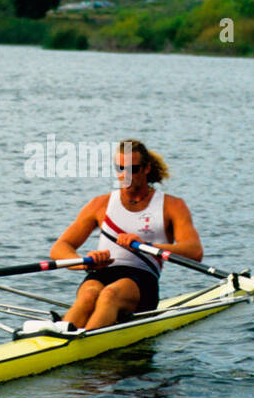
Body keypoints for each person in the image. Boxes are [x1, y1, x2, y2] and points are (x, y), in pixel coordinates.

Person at [49, 139, 203, 330]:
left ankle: (81, 345)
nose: (125, 176)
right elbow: (59, 248)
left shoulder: (172, 206)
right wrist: (82, 262)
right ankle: (60, 338)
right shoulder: (100, 204)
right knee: (89, 294)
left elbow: (195, 251)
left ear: (146, 168)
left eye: (133, 169)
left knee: (109, 294)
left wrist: (148, 246)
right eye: (120, 168)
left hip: (142, 280)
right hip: (102, 273)